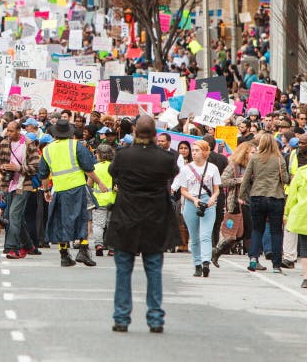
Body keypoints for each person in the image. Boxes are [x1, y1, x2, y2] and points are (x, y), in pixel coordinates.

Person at [107, 115, 179, 333]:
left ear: (135, 132)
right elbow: (172, 173)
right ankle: (155, 318)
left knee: (123, 270)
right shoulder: (166, 158)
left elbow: (113, 172)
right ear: (156, 135)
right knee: (154, 269)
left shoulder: (123, 156)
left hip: (126, 217)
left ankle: (121, 318)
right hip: (155, 219)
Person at [39, 119, 106, 267]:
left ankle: (64, 255)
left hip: (59, 189)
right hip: (77, 187)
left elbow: (43, 174)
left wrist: (46, 190)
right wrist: (100, 182)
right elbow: (89, 168)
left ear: (55, 134)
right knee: (82, 218)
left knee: (61, 221)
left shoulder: (47, 150)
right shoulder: (76, 146)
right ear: (70, 133)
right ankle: (82, 249)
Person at [240, 132, 288, 273]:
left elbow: (246, 178)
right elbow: (285, 179)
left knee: (257, 229)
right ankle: (276, 265)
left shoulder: (254, 158)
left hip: (257, 196)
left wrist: (242, 195)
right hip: (275, 197)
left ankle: (253, 258)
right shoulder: (279, 159)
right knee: (276, 231)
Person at [173, 139, 220, 277]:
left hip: (208, 202)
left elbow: (217, 189)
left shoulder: (213, 168)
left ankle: (206, 262)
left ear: (205, 152)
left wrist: (212, 198)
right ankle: (197, 264)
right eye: (193, 150)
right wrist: (194, 200)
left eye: (197, 150)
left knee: (205, 235)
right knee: (194, 237)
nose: (193, 153)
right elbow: (183, 190)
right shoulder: (185, 169)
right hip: (191, 201)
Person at [0, 120, 40, 260]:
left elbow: (35, 167)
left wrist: (18, 168)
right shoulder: (4, 143)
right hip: (8, 184)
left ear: (19, 131)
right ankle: (28, 245)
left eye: (11, 131)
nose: (8, 133)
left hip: (23, 185)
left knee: (13, 215)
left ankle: (12, 248)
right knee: (14, 217)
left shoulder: (28, 144)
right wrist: (2, 168)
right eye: (7, 130)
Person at [212, 141, 256, 268]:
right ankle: (219, 250)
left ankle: (253, 259)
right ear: (245, 153)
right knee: (240, 233)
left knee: (247, 232)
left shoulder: (254, 166)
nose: (255, 154)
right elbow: (221, 181)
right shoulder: (234, 166)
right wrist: (238, 180)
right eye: (253, 152)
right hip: (237, 203)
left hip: (251, 202)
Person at [89, 144, 116, 256]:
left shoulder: (95, 168)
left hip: (98, 200)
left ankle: (98, 245)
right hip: (112, 200)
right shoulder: (114, 167)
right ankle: (112, 248)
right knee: (111, 224)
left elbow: (89, 184)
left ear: (99, 155)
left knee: (98, 224)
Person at [284, 159, 307, 288]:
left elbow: (292, 195)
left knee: (305, 247)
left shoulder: (301, 172)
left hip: (304, 213)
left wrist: (287, 212)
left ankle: (306, 278)